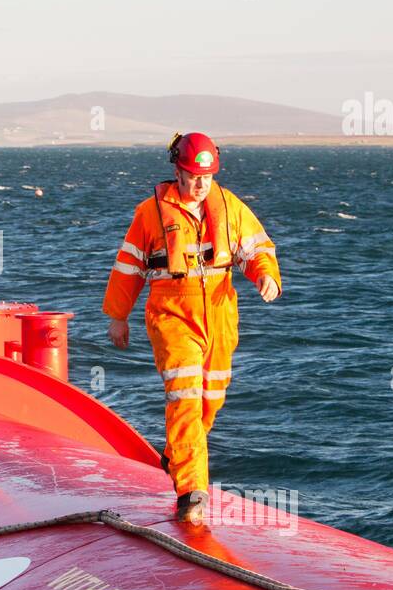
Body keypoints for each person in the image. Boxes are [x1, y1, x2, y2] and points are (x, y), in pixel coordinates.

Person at [103, 132, 282, 524]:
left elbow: (257, 248)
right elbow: (129, 266)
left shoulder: (229, 207)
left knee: (209, 400)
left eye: (207, 177)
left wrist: (265, 275)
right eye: (194, 176)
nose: (201, 185)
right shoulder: (150, 214)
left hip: (219, 314)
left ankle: (176, 454)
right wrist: (118, 316)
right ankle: (191, 492)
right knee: (185, 395)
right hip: (172, 314)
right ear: (178, 171)